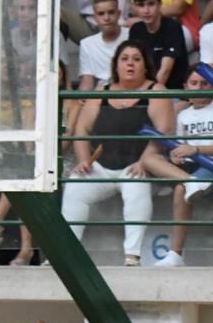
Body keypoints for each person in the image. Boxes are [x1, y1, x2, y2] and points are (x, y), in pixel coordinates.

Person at [64, 42, 179, 265]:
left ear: (145, 65)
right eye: (124, 58)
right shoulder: (102, 92)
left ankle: (132, 256)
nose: (130, 63)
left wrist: (145, 161)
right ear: (115, 65)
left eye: (136, 59)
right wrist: (84, 159)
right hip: (101, 165)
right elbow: (82, 129)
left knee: (137, 190)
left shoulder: (156, 90)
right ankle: (67, 253)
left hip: (137, 165)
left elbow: (165, 130)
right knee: (74, 186)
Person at [158, 67, 213, 267]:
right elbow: (178, 147)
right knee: (170, 177)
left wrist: (197, 149)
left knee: (180, 189)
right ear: (185, 87)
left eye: (204, 83)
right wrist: (175, 155)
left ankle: (176, 253)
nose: (199, 88)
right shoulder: (183, 115)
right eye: (194, 83)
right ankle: (175, 255)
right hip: (190, 167)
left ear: (211, 86)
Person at [126, 0, 190, 89]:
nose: (146, 10)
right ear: (135, 8)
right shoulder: (136, 30)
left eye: (151, 4)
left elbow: (165, 71)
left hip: (174, 93)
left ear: (160, 4)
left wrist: (146, 97)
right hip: (145, 91)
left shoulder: (172, 27)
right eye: (141, 5)